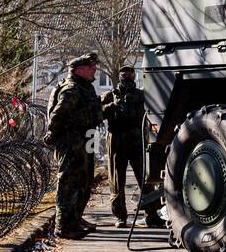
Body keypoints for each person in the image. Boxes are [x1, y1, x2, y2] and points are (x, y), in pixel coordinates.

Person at [43, 53, 103, 239]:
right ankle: (63, 226)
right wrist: (52, 134)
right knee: (68, 183)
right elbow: (58, 114)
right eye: (91, 67)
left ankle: (74, 220)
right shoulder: (72, 89)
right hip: (70, 141)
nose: (94, 70)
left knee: (82, 181)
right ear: (79, 69)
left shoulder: (84, 87)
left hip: (83, 139)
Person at [101, 65, 164, 229]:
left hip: (136, 140)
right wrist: (110, 107)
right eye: (124, 73)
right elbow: (97, 113)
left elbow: (153, 113)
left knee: (145, 178)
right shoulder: (110, 95)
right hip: (116, 140)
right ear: (119, 76)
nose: (127, 76)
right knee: (117, 180)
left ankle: (151, 214)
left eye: (130, 74)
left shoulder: (141, 95)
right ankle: (121, 216)